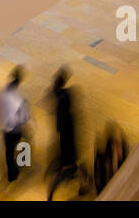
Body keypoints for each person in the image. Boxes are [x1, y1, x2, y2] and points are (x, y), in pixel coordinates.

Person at [47, 67, 89, 199]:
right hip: (67, 137)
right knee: (73, 165)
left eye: (55, 82)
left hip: (66, 140)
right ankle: (84, 183)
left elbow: (62, 125)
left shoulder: (62, 98)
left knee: (69, 167)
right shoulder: (66, 94)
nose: (53, 85)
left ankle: (51, 196)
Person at [0, 66, 30, 183]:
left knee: (9, 152)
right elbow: (24, 118)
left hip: (6, 128)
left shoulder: (4, 92)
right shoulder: (20, 99)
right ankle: (16, 168)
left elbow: (0, 108)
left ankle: (11, 172)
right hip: (15, 129)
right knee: (22, 144)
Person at [92, 122, 129, 194]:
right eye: (116, 144)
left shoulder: (123, 159)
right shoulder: (102, 160)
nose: (119, 149)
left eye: (119, 144)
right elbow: (99, 182)